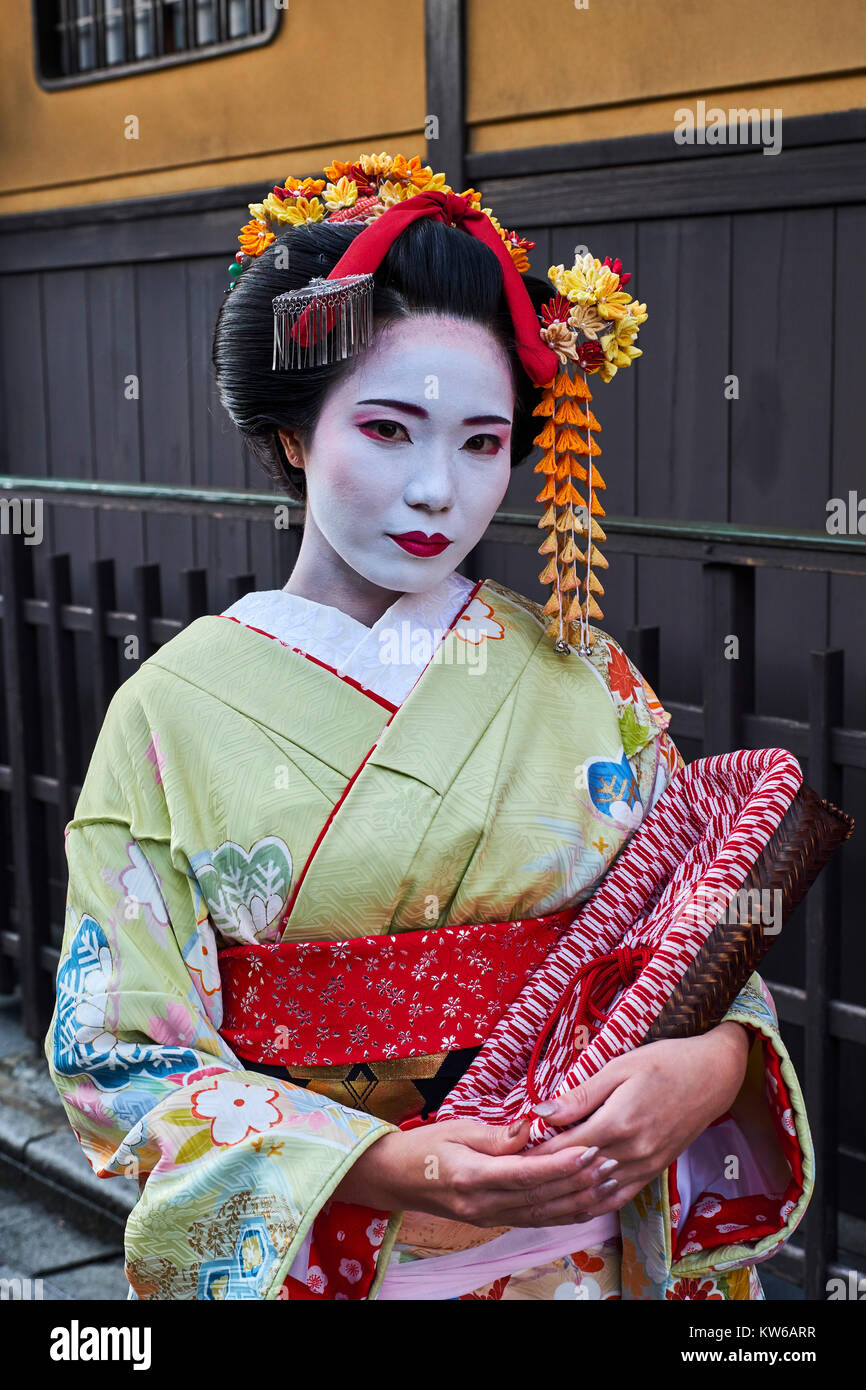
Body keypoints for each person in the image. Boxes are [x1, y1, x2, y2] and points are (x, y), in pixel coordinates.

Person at [44, 152, 811, 1301]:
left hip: (597, 1250)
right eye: (389, 430)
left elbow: (699, 940)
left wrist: (708, 1064)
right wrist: (389, 1163)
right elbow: (118, 1057)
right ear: (295, 435)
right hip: (349, 1249)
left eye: (482, 442)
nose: (437, 491)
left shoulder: (582, 673)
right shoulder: (168, 711)